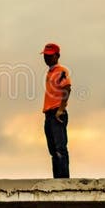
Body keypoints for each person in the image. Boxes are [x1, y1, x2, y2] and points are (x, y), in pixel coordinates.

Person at [41, 43, 72, 178]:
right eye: (45, 56)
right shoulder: (50, 72)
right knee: (53, 150)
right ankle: (57, 179)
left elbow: (67, 88)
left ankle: (64, 180)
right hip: (49, 114)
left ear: (57, 56)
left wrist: (61, 109)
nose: (46, 58)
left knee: (60, 149)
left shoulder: (61, 71)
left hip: (57, 113)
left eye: (49, 56)